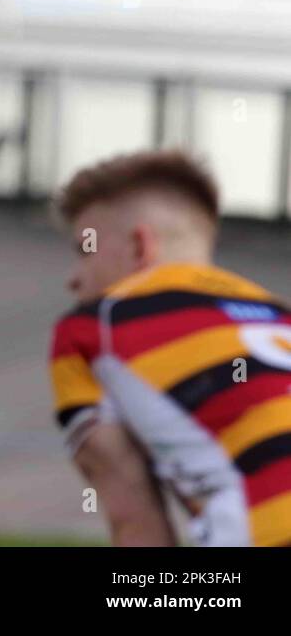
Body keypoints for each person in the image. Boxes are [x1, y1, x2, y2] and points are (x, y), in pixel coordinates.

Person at [49, 149, 291, 546]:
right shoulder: (279, 313)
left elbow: (136, 523)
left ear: (140, 246)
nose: (74, 279)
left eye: (85, 250)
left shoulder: (93, 328)